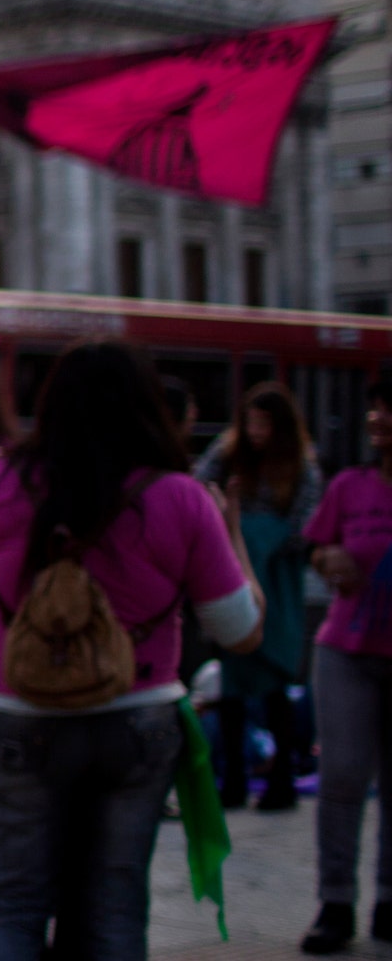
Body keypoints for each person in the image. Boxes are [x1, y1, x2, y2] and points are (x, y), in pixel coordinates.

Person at [0, 340, 263, 961]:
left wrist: (16, 590)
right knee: (114, 908)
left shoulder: (1, 480)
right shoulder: (181, 497)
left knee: (16, 906)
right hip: (139, 718)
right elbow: (240, 631)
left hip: (22, 717)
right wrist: (230, 531)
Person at [194, 381, 323, 811]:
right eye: (250, 421)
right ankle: (231, 778)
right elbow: (199, 489)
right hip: (235, 577)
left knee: (274, 684)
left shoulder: (301, 469)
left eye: (263, 423)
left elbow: (305, 526)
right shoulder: (226, 455)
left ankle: (279, 779)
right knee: (232, 682)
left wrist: (253, 534)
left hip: (277, 585)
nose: (255, 431)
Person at [298, 379, 392, 954]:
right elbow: (315, 547)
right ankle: (335, 901)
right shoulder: (349, 486)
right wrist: (327, 558)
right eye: (377, 406)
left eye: (390, 407)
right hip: (346, 653)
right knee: (341, 779)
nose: (378, 417)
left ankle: (389, 899)